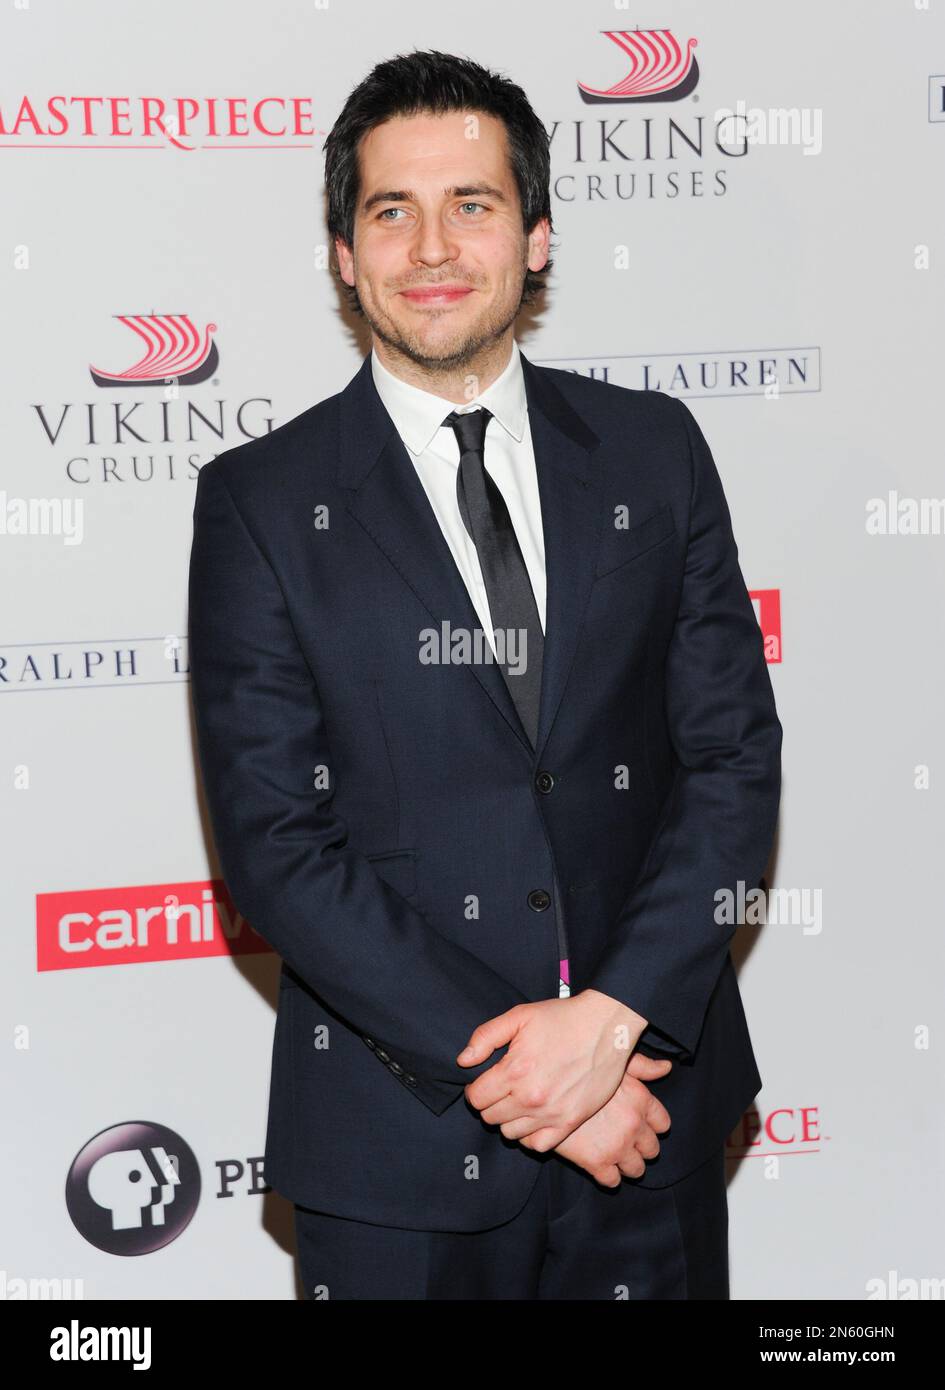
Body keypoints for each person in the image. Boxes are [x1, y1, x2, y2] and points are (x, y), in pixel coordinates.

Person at [188, 48, 782, 1300]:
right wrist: (545, 1085)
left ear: (541, 234)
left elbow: (732, 762)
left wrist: (616, 1022)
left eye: (473, 203)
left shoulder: (654, 452)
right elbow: (275, 844)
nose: (431, 247)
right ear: (344, 256)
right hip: (401, 1157)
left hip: (653, 1116)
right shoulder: (259, 504)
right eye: (389, 211)